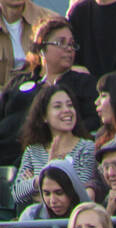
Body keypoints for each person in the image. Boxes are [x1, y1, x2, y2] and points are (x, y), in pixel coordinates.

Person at [0, 17, 97, 169]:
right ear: (41, 48)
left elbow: (93, 120)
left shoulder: (83, 83)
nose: (69, 48)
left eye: (71, 44)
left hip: (42, 156)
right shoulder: (18, 82)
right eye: (61, 43)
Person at [12, 85, 95, 211]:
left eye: (70, 105)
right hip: (38, 222)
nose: (67, 110)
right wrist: (41, 177)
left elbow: (80, 195)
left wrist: (38, 194)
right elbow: (17, 194)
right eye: (58, 106)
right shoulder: (33, 151)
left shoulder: (86, 148)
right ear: (44, 116)